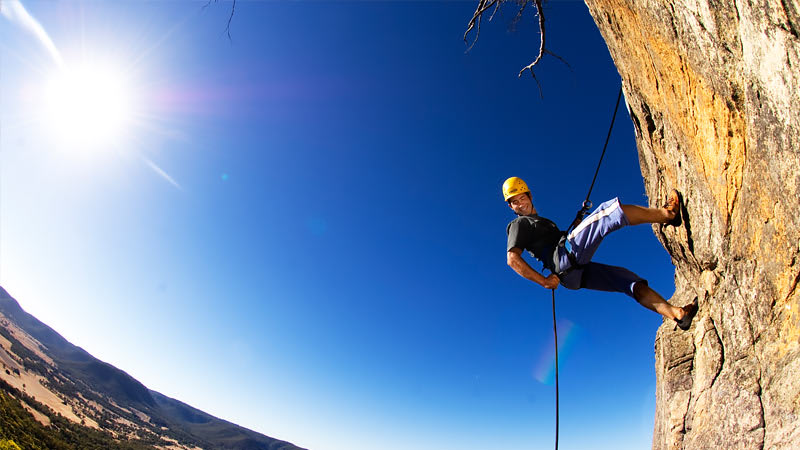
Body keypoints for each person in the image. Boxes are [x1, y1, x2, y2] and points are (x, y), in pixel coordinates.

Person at [503, 176, 698, 330]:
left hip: (571, 276)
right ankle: (667, 215)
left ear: (530, 196)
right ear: (511, 207)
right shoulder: (519, 224)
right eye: (515, 202)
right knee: (607, 213)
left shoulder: (543, 223)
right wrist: (544, 281)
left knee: (628, 281)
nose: (521, 204)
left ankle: (677, 314)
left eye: (522, 198)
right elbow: (512, 259)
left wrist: (578, 222)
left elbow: (563, 240)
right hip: (563, 261)